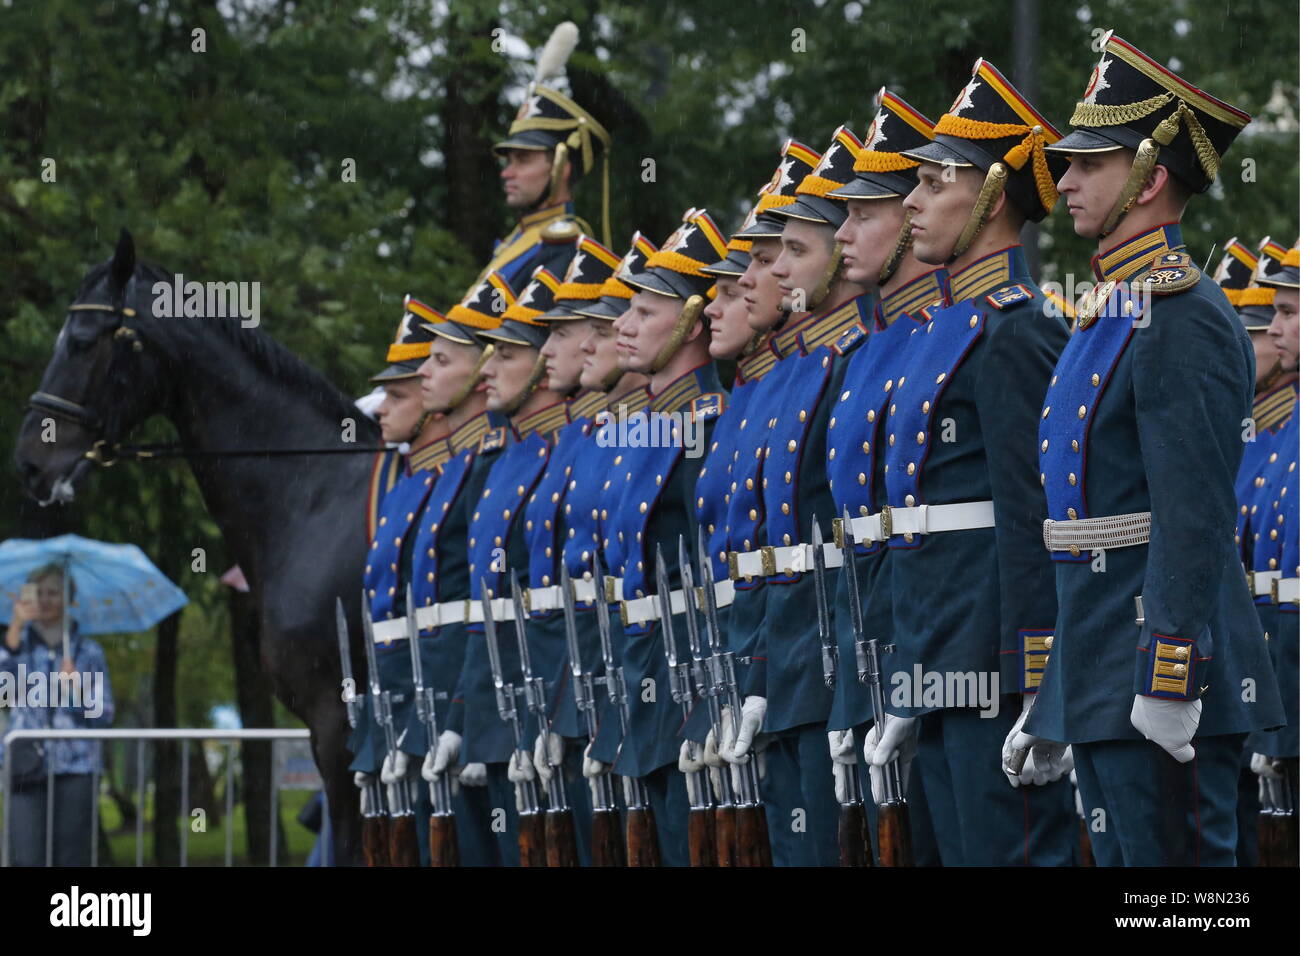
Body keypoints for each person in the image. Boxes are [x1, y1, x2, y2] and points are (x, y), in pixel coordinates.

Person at [1014, 31, 1284, 866]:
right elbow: (1081, 527)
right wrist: (1056, 694)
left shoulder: (1183, 312)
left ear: (1148, 175)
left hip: (1164, 672)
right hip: (1102, 668)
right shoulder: (1110, 312)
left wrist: (1171, 673)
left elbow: (1193, 508)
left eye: (1087, 164)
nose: (1063, 181)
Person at [863, 57, 1077, 866]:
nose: (911, 203)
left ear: (992, 192)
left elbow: (1034, 520)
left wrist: (1038, 683)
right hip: (935, 652)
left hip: (991, 657)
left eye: (932, 183)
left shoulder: (1018, 330)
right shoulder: (941, 331)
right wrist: (908, 675)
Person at [716, 125, 875, 867]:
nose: (761, 275)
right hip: (783, 663)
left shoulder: (852, 364)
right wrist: (753, 674)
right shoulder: (781, 382)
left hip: (843, 666)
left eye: (785, 253)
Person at [823, 88, 948, 865]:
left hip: (953, 665)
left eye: (862, 213)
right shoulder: (868, 356)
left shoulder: (957, 336)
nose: (844, 233)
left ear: (911, 216)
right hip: (877, 666)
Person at [584, 207, 729, 864]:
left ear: (694, 321)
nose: (621, 326)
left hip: (695, 689)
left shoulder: (714, 426)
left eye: (644, 313)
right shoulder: (644, 432)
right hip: (643, 687)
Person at [484, 23, 611, 292]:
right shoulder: (519, 239)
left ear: (561, 168)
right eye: (509, 161)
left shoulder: (567, 248)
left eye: (523, 160)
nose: (507, 172)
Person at [1, 564, 115, 866]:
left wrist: (77, 692)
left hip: (76, 766)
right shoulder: (17, 647)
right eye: (39, 593)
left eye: (53, 592)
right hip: (25, 764)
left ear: (69, 599)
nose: (46, 599)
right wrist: (13, 628)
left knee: (71, 855)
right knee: (26, 856)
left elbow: (104, 714)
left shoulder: (88, 652)